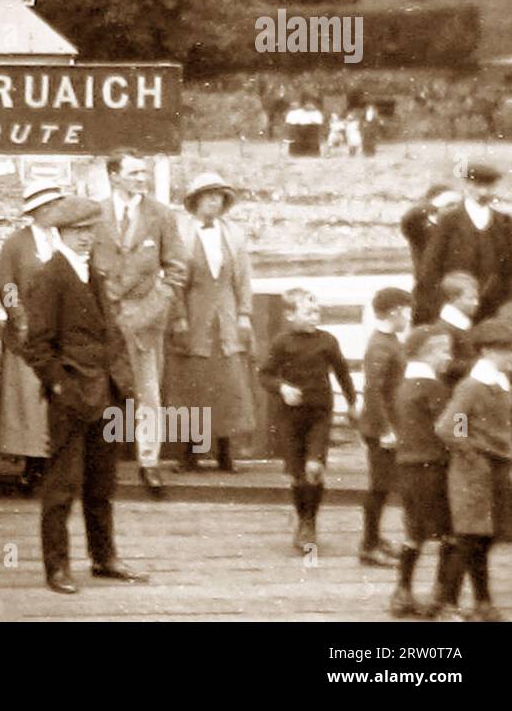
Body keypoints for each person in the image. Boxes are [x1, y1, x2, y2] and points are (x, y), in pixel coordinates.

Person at [23, 197, 148, 594]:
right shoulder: (50, 277)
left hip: (106, 393)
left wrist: (122, 384)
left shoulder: (92, 273)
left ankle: (103, 557)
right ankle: (56, 567)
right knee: (61, 485)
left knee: (102, 482)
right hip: (73, 396)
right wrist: (61, 386)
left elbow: (109, 333)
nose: (86, 238)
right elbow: (37, 346)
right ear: (60, 233)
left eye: (91, 231)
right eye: (79, 232)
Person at [92, 149, 187, 498]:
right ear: (114, 176)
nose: (141, 179)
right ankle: (101, 461)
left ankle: (149, 462)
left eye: (143, 173)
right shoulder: (95, 213)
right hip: (104, 319)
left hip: (145, 319)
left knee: (148, 392)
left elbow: (177, 268)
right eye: (133, 173)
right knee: (100, 389)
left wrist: (156, 304)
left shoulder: (160, 215)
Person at [259, 288, 357, 552]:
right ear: (290, 315)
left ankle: (311, 522)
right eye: (308, 312)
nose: (315, 317)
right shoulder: (282, 342)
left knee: (314, 468)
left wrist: (352, 403)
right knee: (297, 475)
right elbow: (265, 375)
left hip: (319, 413)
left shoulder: (328, 341)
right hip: (290, 417)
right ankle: (302, 521)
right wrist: (282, 387)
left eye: (317, 312)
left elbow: (343, 374)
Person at [169, 173, 254, 473]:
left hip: (226, 319)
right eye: (208, 196)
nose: (214, 202)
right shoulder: (181, 233)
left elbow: (242, 278)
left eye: (219, 196)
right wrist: (179, 317)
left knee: (228, 385)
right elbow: (175, 281)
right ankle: (189, 454)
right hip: (195, 318)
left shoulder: (234, 235)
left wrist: (244, 314)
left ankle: (225, 453)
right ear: (195, 202)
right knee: (194, 385)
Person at [433, 318, 512, 622]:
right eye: (505, 351)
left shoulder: (500, 383)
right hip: (474, 473)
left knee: (485, 538)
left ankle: (482, 602)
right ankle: (447, 605)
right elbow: (451, 427)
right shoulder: (473, 386)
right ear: (487, 352)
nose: (510, 356)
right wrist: (472, 452)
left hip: (497, 470)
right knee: (469, 539)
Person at [0, 181, 65, 491]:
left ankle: (55, 461)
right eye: (51, 207)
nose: (55, 212)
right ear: (38, 211)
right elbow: (7, 287)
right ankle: (31, 463)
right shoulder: (16, 244)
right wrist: (18, 318)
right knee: (27, 400)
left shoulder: (62, 240)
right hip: (26, 334)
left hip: (58, 332)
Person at [391, 325, 456, 619]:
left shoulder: (405, 387)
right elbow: (453, 428)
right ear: (427, 354)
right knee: (450, 535)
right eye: (444, 350)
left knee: (414, 532)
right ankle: (440, 599)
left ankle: (402, 592)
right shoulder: (435, 389)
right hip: (434, 468)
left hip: (408, 468)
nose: (449, 357)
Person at [416, 162, 512, 323]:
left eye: (489, 186)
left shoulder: (503, 223)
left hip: (492, 308)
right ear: (467, 185)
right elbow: (431, 266)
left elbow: (508, 268)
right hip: (455, 305)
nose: (484, 192)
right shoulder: (449, 219)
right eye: (478, 186)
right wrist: (438, 306)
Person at [358, 286, 411, 568]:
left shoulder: (389, 341)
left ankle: (375, 539)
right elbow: (373, 391)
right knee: (379, 487)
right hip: (382, 429)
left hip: (389, 426)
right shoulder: (381, 344)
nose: (408, 317)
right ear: (395, 312)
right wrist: (385, 429)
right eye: (406, 311)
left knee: (382, 486)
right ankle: (368, 545)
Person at [400, 185, 461, 281]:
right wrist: (433, 205)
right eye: (450, 205)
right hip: (431, 287)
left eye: (458, 205)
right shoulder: (421, 228)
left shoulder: (461, 226)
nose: (456, 209)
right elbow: (409, 219)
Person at [435, 271, 478, 387]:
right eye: (470, 298)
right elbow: (445, 365)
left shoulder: (464, 324)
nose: (476, 303)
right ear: (453, 298)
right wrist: (478, 364)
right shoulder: (444, 328)